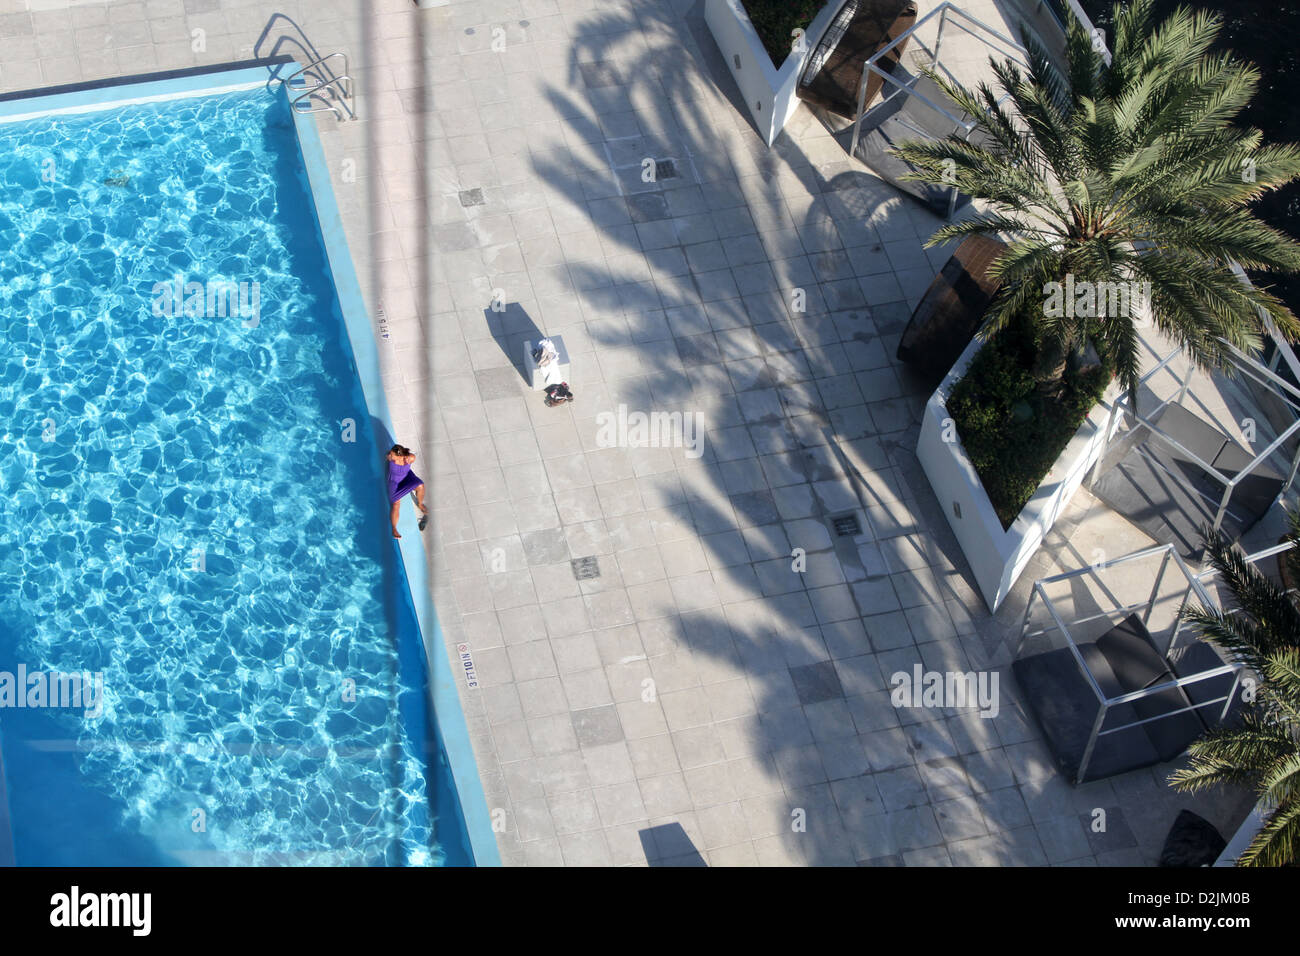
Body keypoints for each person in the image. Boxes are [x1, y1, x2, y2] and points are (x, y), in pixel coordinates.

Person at [386, 444, 427, 538]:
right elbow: (388, 456)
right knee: (396, 504)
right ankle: (394, 529)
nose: (390, 455)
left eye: (392, 454)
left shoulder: (409, 458)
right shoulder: (391, 459)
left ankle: (420, 504)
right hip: (394, 482)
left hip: (406, 476)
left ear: (400, 456)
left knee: (420, 485)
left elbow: (412, 457)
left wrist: (410, 457)